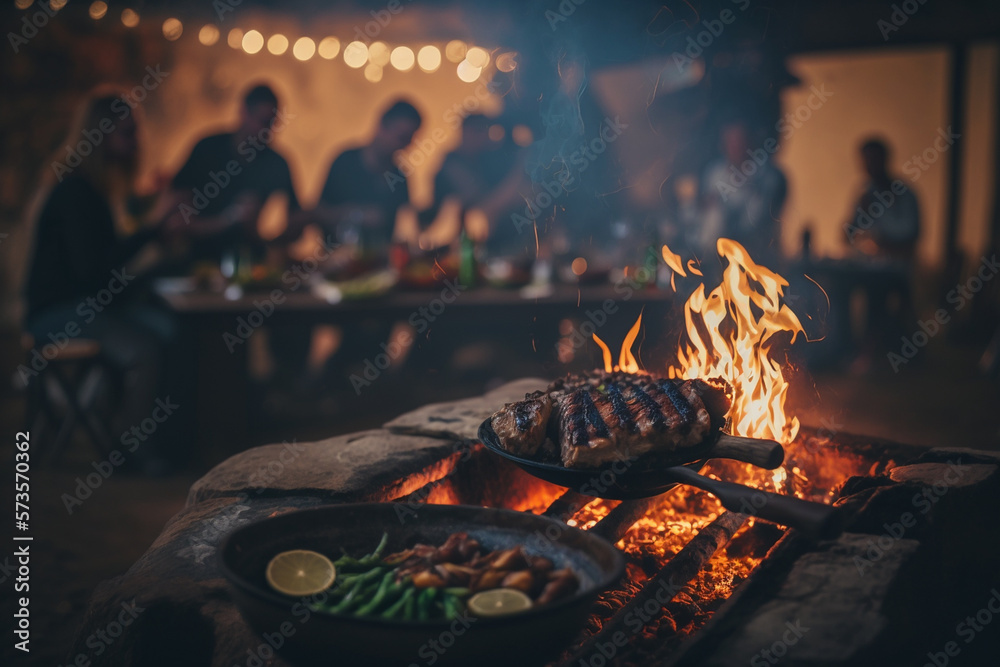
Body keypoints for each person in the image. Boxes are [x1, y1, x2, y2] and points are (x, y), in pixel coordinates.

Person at [23, 89, 177, 471]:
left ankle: (162, 437)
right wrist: (152, 232)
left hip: (81, 307)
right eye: (126, 133)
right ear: (99, 134)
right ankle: (129, 452)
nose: (135, 141)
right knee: (145, 348)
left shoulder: (96, 189)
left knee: (167, 328)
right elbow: (91, 272)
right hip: (56, 314)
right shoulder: (76, 191)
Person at [168, 83, 303, 266]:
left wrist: (266, 238)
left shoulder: (277, 163)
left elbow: (296, 224)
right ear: (243, 113)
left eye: (272, 124)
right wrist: (228, 219)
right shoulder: (208, 149)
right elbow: (175, 220)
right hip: (196, 262)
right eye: (263, 122)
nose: (267, 132)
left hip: (251, 264)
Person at [842, 137, 921, 372]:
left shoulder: (905, 194)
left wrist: (885, 245)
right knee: (837, 288)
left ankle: (869, 354)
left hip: (896, 270)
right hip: (868, 267)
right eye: (865, 160)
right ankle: (843, 347)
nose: (868, 165)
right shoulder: (865, 193)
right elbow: (847, 236)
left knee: (876, 289)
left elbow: (913, 238)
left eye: (873, 159)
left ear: (885, 160)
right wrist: (858, 214)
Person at [317, 99, 421, 256]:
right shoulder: (345, 162)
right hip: (338, 265)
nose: (404, 146)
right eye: (401, 137)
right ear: (382, 126)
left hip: (381, 268)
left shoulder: (399, 175)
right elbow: (317, 214)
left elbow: (407, 225)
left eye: (408, 140)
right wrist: (357, 215)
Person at [432, 114, 527, 256]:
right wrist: (520, 170)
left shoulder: (482, 162)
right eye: (480, 131)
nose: (487, 138)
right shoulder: (452, 164)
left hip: (473, 244)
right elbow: (479, 203)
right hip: (450, 248)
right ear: (465, 132)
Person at [700, 120, 787, 264]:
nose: (735, 147)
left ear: (750, 142)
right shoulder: (714, 174)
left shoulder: (766, 176)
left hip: (759, 259)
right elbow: (707, 218)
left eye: (740, 141)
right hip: (717, 259)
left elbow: (756, 221)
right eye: (730, 141)